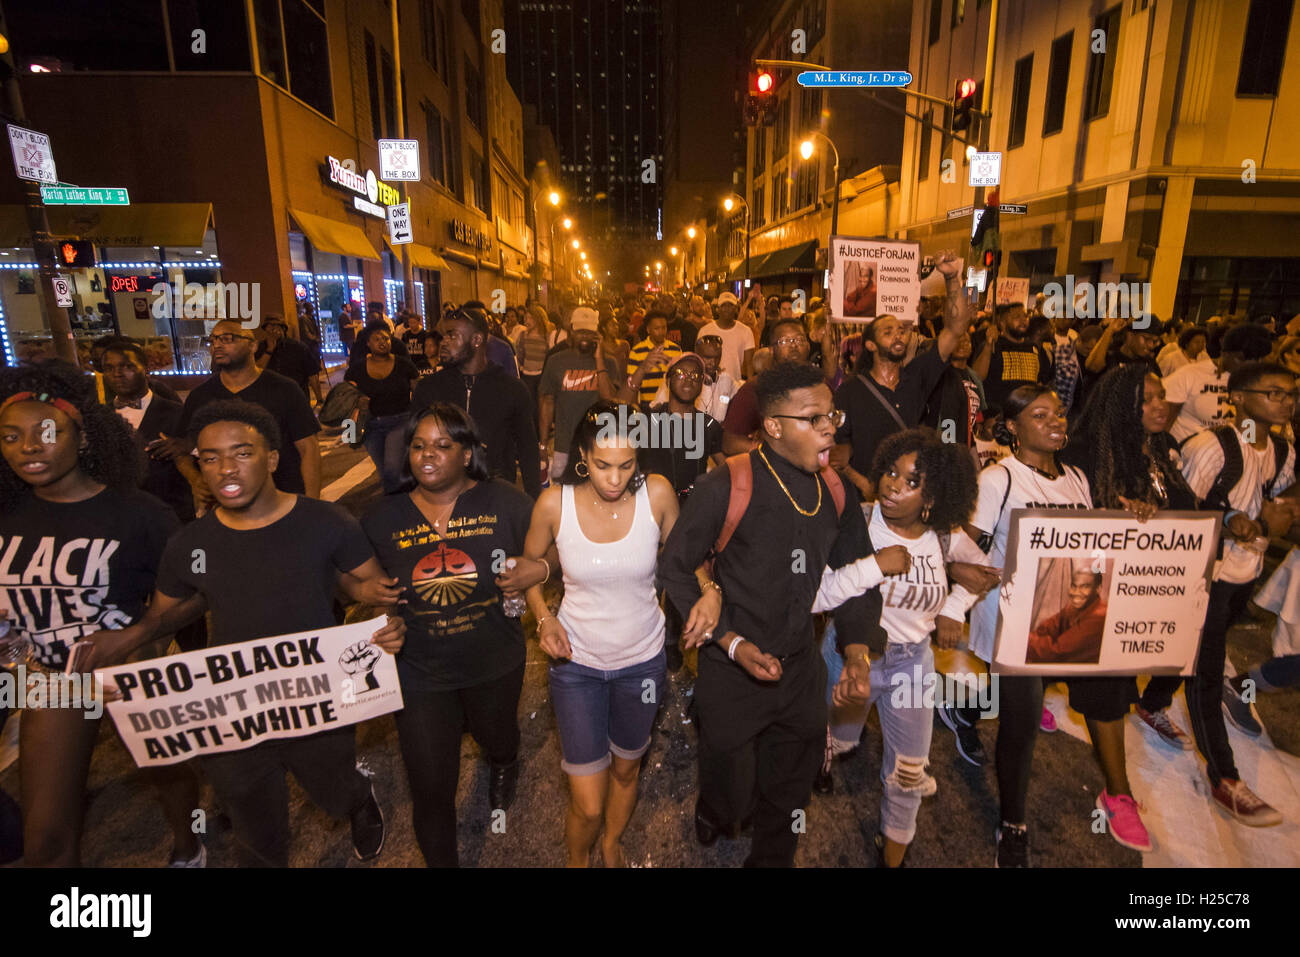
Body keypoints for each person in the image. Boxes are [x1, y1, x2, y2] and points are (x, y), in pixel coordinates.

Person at [84, 400, 406, 867]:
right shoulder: (190, 543)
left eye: (241, 453)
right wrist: (128, 645)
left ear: (272, 458)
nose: (223, 468)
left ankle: (358, 798)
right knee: (253, 828)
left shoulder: (326, 522)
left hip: (316, 690)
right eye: (209, 457)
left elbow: (360, 584)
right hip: (233, 701)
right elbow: (165, 616)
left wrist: (382, 614)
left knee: (330, 787)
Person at [658, 363, 886, 867]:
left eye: (832, 415)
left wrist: (855, 652)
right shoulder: (727, 484)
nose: (831, 427)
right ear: (775, 426)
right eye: (814, 418)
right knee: (733, 795)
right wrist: (726, 638)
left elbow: (859, 574)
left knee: (787, 796)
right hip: (730, 666)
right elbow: (673, 567)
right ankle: (717, 806)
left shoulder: (838, 491)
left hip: (800, 668)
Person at [0, 362, 199, 866]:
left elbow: (200, 591)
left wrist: (143, 632)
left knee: (166, 774)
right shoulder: (6, 516)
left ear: (83, 436)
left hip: (130, 671)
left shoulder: (138, 514)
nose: (29, 447)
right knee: (44, 838)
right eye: (10, 436)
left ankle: (188, 844)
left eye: (48, 432)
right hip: (53, 681)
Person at [362, 402, 550, 866]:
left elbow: (557, 549)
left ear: (467, 454)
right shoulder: (381, 518)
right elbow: (359, 584)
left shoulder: (505, 501)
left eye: (443, 446)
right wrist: (379, 620)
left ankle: (504, 761)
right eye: (419, 446)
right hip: (420, 672)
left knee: (496, 734)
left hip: (494, 659)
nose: (428, 455)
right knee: (429, 787)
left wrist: (538, 568)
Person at [521, 401, 698, 867]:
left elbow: (684, 562)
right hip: (576, 666)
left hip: (642, 663)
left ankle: (612, 843)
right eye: (602, 466)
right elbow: (530, 574)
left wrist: (711, 590)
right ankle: (578, 859)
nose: (615, 479)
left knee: (625, 768)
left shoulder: (657, 495)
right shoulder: (553, 503)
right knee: (588, 800)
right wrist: (543, 618)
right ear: (583, 454)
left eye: (626, 465)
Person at [957, 384, 1114, 865]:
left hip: (1066, 618)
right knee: (1021, 723)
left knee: (1030, 697)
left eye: (1061, 414)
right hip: (1013, 619)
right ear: (1012, 428)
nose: (1057, 422)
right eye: (1041, 414)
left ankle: (965, 708)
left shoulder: (1078, 479)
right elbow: (966, 546)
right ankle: (1013, 822)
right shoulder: (999, 479)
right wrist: (970, 577)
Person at [818, 428, 981, 866]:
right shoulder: (859, 521)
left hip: (913, 666)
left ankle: (892, 858)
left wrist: (956, 606)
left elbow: (987, 573)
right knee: (836, 740)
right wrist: (874, 566)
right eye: (891, 472)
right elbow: (819, 594)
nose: (893, 485)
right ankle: (825, 759)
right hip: (852, 656)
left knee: (909, 775)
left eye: (912, 482)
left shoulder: (945, 537)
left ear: (933, 497)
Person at [1169, 361, 1297, 826]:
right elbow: (1178, 515)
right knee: (1205, 670)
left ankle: (1149, 703)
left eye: (1290, 394)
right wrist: (1232, 522)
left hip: (1245, 572)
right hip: (1205, 577)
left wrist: (1274, 516)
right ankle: (1225, 777)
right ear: (1240, 397)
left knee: (1197, 649)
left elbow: (1277, 497)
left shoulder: (1283, 451)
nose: (1286, 401)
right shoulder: (1212, 448)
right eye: (1275, 393)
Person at [1062, 365, 1196, 753]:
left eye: (1161, 397)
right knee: (1051, 678)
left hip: (1150, 587)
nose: (1160, 407)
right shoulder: (1088, 451)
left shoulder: (1158, 446)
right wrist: (1115, 515)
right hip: (1103, 594)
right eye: (1147, 400)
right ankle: (1117, 792)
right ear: (1122, 405)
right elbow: (1073, 523)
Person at [831, 251, 969, 497]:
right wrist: (865, 485)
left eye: (901, 330)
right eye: (888, 331)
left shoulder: (917, 376)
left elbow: (955, 328)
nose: (898, 334)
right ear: (871, 345)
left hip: (909, 491)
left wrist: (952, 279)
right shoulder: (850, 391)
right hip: (864, 498)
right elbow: (835, 453)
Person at [165, 319, 322, 501]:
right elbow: (182, 448)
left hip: (283, 497)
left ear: (253, 346)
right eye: (213, 340)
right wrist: (196, 480)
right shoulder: (200, 396)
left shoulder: (284, 389)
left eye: (227, 339)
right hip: (227, 504)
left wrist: (312, 503)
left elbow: (308, 449)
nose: (217, 345)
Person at [413, 307, 540, 498]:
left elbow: (527, 448)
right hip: (442, 497)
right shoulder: (429, 389)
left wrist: (534, 499)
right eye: (443, 336)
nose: (444, 343)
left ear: (477, 340)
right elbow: (412, 446)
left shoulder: (512, 389)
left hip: (496, 496)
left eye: (452, 336)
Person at [100, 339, 194, 522]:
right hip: (116, 516)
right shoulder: (98, 417)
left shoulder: (177, 413)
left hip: (170, 515)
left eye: (127, 366)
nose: (117, 374)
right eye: (109, 368)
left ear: (146, 369)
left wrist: (188, 447)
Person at [538, 307, 620, 481]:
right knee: (563, 496)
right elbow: (547, 402)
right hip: (564, 444)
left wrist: (599, 359)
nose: (584, 336)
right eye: (580, 331)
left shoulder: (609, 362)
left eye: (589, 332)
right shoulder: (556, 361)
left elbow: (610, 400)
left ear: (598, 335)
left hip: (600, 445)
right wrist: (543, 445)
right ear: (571, 333)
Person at [344, 322, 420, 495]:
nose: (382, 342)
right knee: (384, 472)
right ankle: (395, 506)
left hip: (400, 421)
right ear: (368, 344)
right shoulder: (357, 368)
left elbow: (418, 392)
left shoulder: (403, 365)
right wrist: (358, 401)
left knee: (392, 468)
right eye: (376, 339)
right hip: (371, 426)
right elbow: (346, 395)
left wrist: (418, 418)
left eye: (386, 338)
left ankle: (397, 504)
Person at [1165, 322, 1272, 443]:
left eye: (1256, 361)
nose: (1246, 366)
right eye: (1241, 359)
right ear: (1225, 353)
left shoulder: (1254, 383)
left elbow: (1248, 434)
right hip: (1187, 453)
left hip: (1229, 456)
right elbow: (1164, 422)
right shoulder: (1189, 374)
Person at [971, 301, 1053, 410]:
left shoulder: (1033, 348)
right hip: (998, 414)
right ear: (1002, 323)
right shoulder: (994, 345)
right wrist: (988, 345)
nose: (1023, 320)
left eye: (1025, 316)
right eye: (1016, 317)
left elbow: (1039, 381)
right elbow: (977, 377)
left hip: (1025, 414)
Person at [1026, 567, 1107, 664]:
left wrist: (1025, 639)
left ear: (1098, 589)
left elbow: (1054, 652)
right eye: (1074, 586)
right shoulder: (1074, 608)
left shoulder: (1099, 616)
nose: (1076, 593)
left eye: (1085, 587)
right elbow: (1044, 630)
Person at [626, 310, 683, 404]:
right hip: (647, 406)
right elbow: (632, 383)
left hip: (670, 405)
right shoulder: (637, 351)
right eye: (657, 328)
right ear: (648, 330)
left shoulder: (676, 350)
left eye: (664, 327)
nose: (661, 332)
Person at [698, 291, 755, 383]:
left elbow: (749, 363)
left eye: (730, 305)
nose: (727, 309)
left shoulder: (746, 331)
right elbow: (699, 359)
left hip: (735, 383)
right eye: (723, 305)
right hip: (710, 382)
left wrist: (750, 386)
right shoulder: (705, 330)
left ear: (736, 308)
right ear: (718, 309)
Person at [254, 315, 317, 398]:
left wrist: (319, 400)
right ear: (265, 329)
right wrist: (269, 350)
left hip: (296, 398)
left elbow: (312, 375)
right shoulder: (259, 348)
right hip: (270, 398)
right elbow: (256, 371)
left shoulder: (298, 347)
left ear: (283, 329)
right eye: (270, 327)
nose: (274, 330)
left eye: (277, 326)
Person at [517, 304, 560, 407]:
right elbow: (520, 355)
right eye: (525, 318)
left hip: (542, 376)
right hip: (527, 376)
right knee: (529, 405)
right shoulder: (523, 335)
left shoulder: (547, 336)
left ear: (538, 318)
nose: (527, 321)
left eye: (530, 318)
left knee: (542, 405)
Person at [692, 334, 738, 424]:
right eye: (708, 358)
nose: (713, 363)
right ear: (697, 356)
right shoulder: (686, 382)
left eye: (717, 357)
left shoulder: (726, 380)